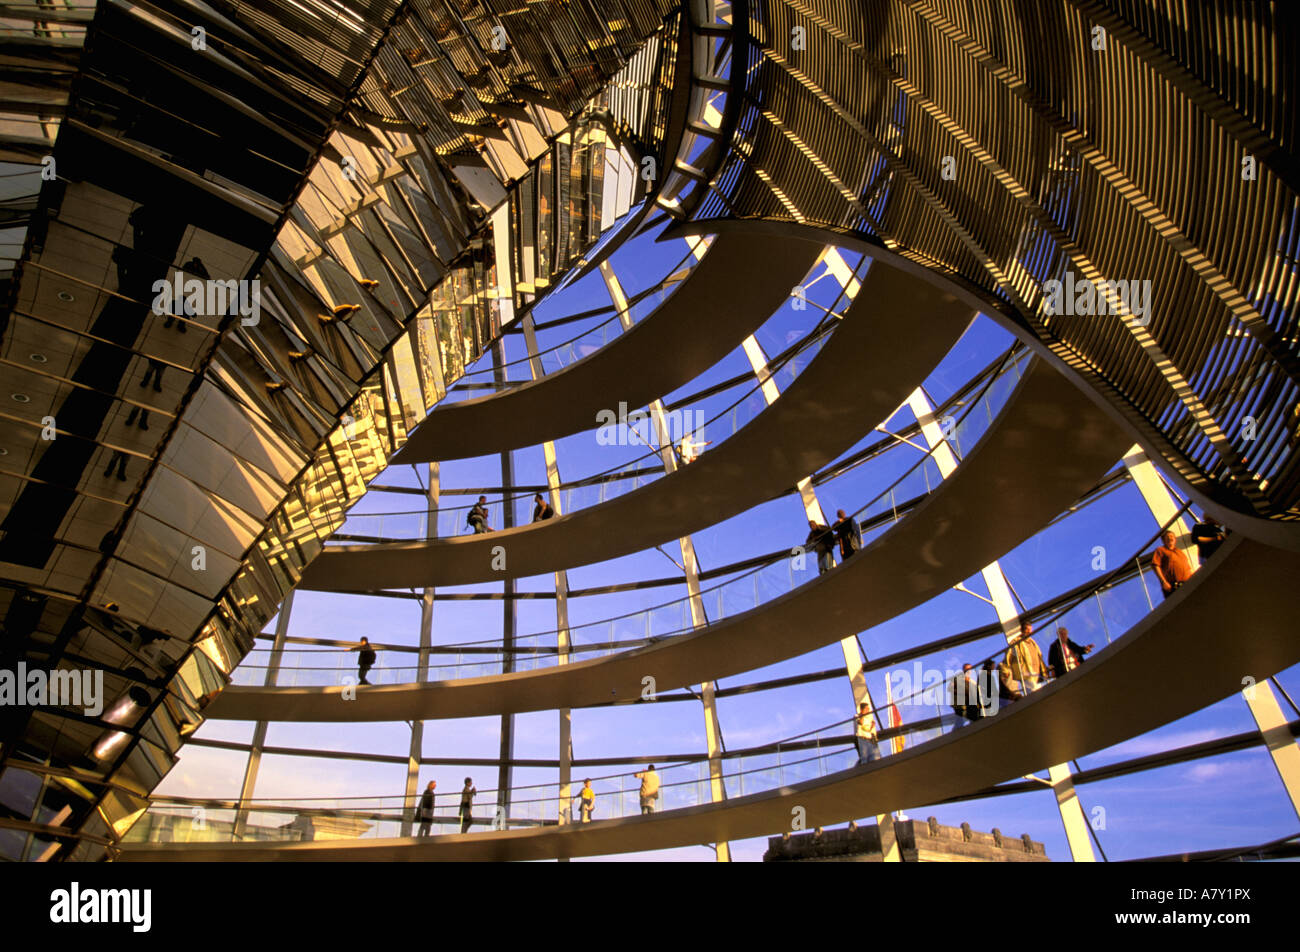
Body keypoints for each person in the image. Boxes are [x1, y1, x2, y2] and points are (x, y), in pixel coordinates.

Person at [1006, 623, 1050, 694]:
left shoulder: (1033, 642)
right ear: (1023, 630)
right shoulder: (1016, 642)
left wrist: (1044, 670)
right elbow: (1009, 657)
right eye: (1027, 629)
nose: (1029, 632)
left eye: (1030, 630)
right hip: (1026, 674)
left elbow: (1040, 657)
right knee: (1035, 693)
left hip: (1037, 674)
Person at [1152, 530, 1192, 599]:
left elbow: (1187, 567)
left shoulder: (1179, 551)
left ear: (1175, 539)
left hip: (1188, 583)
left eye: (1172, 536)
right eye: (1167, 537)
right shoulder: (1160, 550)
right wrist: (1163, 581)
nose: (1170, 538)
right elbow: (1156, 565)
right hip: (1173, 586)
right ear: (1164, 540)